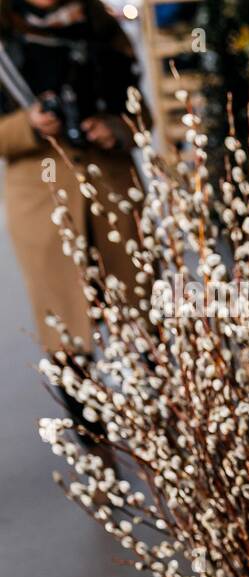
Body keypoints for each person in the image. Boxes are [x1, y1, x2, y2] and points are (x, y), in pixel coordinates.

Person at [0, 0, 142, 444]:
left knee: (139, 311)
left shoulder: (99, 24)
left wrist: (117, 129)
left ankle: (160, 422)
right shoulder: (6, 35)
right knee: (64, 325)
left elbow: (139, 111)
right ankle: (92, 436)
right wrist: (29, 123)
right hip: (41, 203)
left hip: (112, 189)